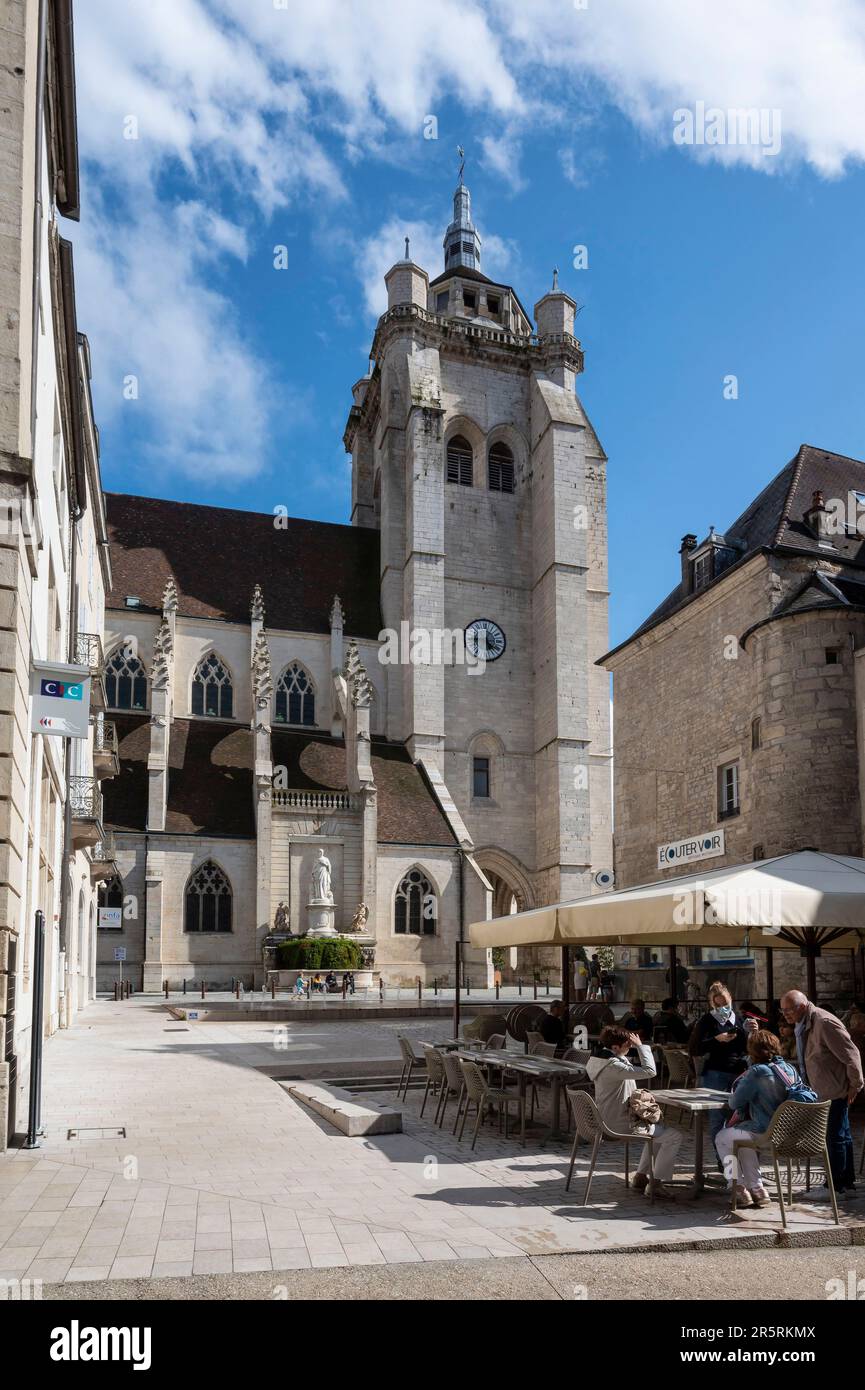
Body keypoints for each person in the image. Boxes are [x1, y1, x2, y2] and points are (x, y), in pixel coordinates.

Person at [780, 990, 863, 1195]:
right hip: (823, 1088)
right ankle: (846, 1184)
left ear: (801, 1007)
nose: (785, 1015)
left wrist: (856, 1084)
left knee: (833, 1137)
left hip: (833, 1088)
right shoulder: (804, 1023)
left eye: (788, 1010)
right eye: (782, 1011)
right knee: (840, 1135)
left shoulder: (824, 1022)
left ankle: (835, 1187)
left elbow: (851, 1055)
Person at [586, 1025, 683, 1200]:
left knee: (658, 1129)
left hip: (607, 1118)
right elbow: (650, 1071)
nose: (630, 1047)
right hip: (620, 1124)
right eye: (627, 1045)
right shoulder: (613, 1065)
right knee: (673, 1136)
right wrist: (641, 1046)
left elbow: (628, 1064)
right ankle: (656, 1184)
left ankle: (640, 1177)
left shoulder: (601, 1060)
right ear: (616, 1047)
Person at [714, 1028, 805, 1208]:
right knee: (740, 1138)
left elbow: (734, 1103)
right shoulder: (789, 1068)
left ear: (752, 1050)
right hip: (789, 1134)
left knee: (722, 1137)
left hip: (766, 1133)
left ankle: (737, 1187)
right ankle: (757, 1189)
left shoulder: (757, 1072)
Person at [689, 982, 752, 1146]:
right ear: (712, 1004)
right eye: (718, 1005)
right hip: (715, 1072)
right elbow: (695, 1048)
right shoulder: (707, 1020)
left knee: (739, 1114)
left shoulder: (738, 1019)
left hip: (738, 1071)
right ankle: (721, 1159)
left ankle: (735, 1151)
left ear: (730, 999)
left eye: (725, 1003)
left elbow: (747, 1048)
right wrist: (717, 1039)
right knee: (717, 1117)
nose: (723, 1007)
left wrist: (753, 1032)